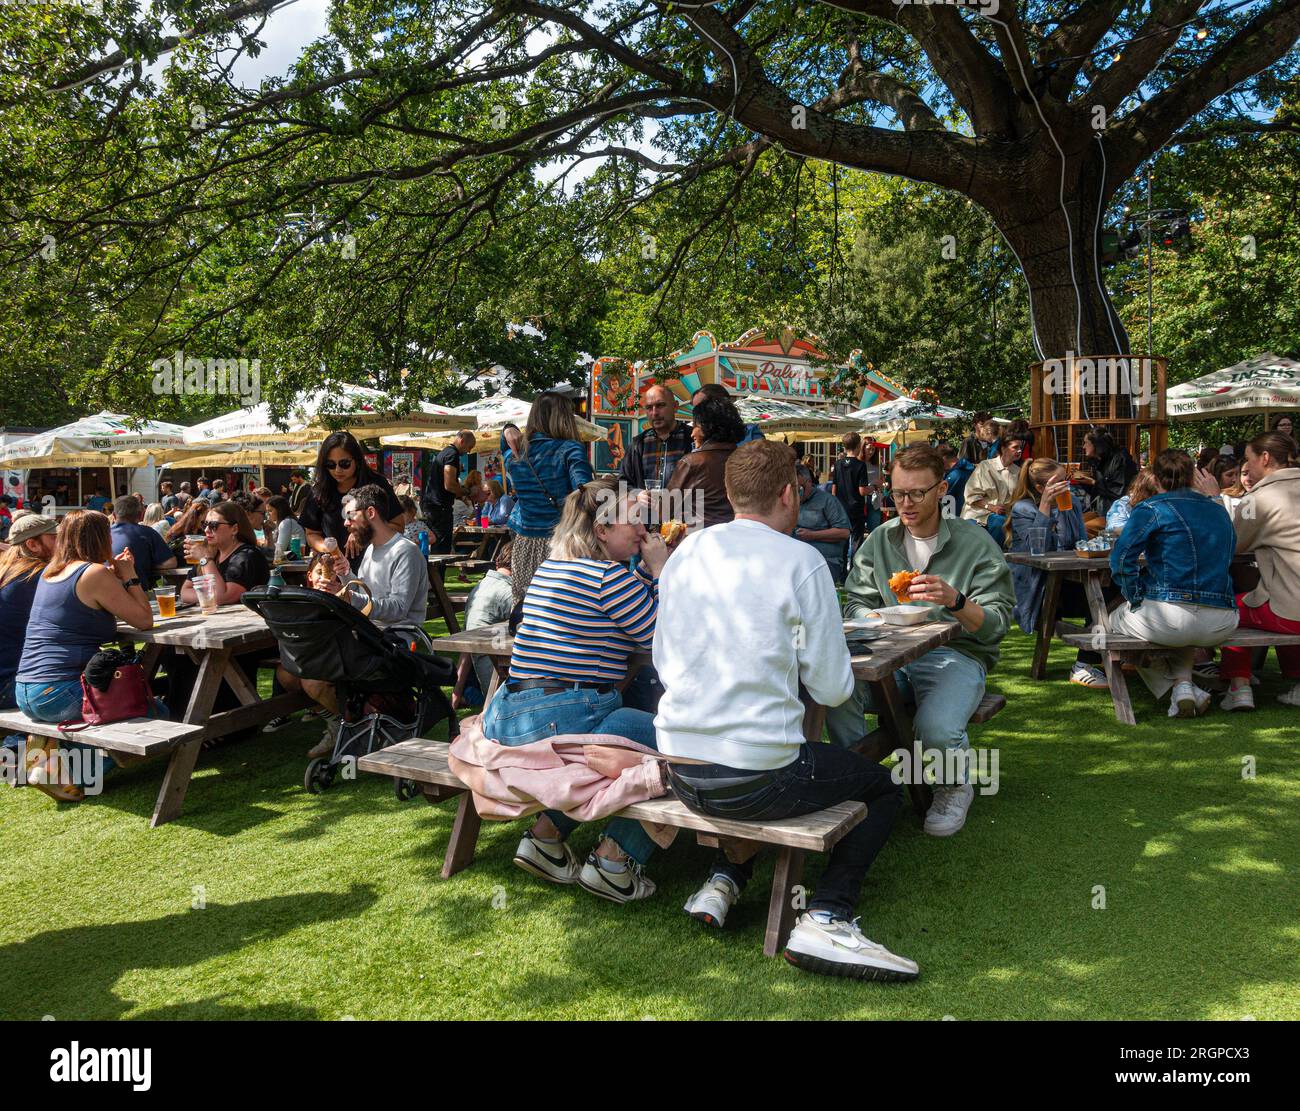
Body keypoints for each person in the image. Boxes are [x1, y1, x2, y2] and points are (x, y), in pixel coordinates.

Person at [654, 439, 916, 980]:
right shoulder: (802, 561)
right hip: (756, 778)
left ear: (728, 494)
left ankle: (725, 879)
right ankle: (826, 915)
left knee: (773, 758)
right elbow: (835, 688)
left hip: (679, 767)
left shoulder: (686, 553)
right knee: (881, 786)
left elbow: (666, 658)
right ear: (790, 494)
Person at [484, 476, 668, 903]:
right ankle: (614, 861)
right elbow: (662, 639)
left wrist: (641, 574)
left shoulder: (555, 568)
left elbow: (622, 613)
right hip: (561, 716)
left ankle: (546, 838)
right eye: (633, 521)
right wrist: (659, 571)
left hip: (511, 714)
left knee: (624, 730)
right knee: (683, 744)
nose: (642, 529)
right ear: (602, 530)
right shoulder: (606, 577)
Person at [828, 445, 1014, 837]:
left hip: (955, 654)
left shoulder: (975, 542)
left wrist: (956, 600)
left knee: (937, 728)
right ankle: (866, 782)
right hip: (887, 653)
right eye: (897, 494)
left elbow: (997, 624)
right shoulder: (879, 540)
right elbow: (856, 603)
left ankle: (953, 785)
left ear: (942, 489)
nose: (906, 504)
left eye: (917, 493)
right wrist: (877, 617)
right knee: (835, 695)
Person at [278, 484, 431, 757]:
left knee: (311, 677)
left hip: (398, 639)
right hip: (368, 635)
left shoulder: (405, 551)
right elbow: (364, 594)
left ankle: (353, 726)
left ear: (370, 512)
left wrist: (352, 598)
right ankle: (354, 724)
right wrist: (345, 579)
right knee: (291, 671)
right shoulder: (373, 550)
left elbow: (397, 609)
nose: (345, 524)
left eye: (350, 516)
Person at [15, 511, 158, 802]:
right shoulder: (93, 573)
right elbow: (144, 620)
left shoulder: (50, 572)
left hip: (27, 689)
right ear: (101, 538)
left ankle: (50, 753)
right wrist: (129, 575)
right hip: (59, 691)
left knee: (128, 703)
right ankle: (65, 772)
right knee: (155, 712)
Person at [1107, 450, 1238, 717]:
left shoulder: (1151, 508)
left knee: (1106, 623)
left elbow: (1120, 560)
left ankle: (1174, 688)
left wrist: (1133, 596)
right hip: (1222, 621)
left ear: (1155, 477)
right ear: (1193, 477)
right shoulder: (1218, 509)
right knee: (1181, 628)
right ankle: (1184, 688)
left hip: (1171, 618)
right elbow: (1230, 554)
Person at [1197, 432, 1300, 710]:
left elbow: (1230, 543)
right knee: (1277, 600)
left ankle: (1238, 686)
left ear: (1265, 458)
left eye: (1249, 460)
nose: (1248, 468)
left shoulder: (1260, 498)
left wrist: (1214, 499)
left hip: (1290, 611)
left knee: (1232, 609)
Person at [1006, 458, 1109, 689]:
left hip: (1069, 581)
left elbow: (1077, 541)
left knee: (1111, 593)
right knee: (1099, 599)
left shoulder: (1070, 501)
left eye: (1066, 480)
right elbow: (1038, 550)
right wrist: (1045, 506)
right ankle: (1084, 667)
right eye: (1061, 482)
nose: (1067, 486)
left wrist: (1065, 511)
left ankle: (1089, 660)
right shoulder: (1023, 509)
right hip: (1041, 587)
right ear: (1042, 488)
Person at [502, 393, 593, 606]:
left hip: (524, 543)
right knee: (562, 610)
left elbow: (503, 443)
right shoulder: (569, 449)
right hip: (561, 543)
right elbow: (584, 491)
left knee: (526, 611)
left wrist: (508, 428)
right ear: (563, 417)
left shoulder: (515, 454)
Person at [301, 430, 404, 571]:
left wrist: (363, 534)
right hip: (335, 571)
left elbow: (398, 526)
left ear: (357, 460)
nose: (337, 470)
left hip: (375, 567)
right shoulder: (319, 491)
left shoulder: (377, 484)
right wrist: (330, 549)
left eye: (344, 463)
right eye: (330, 464)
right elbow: (311, 533)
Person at [0, 512, 59, 713]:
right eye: (54, 538)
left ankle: (17, 743)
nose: (61, 544)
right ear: (33, 545)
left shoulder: (6, 570)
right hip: (12, 684)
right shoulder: (39, 575)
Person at [666, 395, 745, 529]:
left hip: (699, 539)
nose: (692, 434)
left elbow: (665, 510)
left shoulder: (691, 462)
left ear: (706, 427)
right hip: (738, 538)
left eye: (695, 425)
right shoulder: (746, 459)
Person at [451, 544, 514, 710]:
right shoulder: (508, 593)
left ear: (497, 564)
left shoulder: (479, 587)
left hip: (480, 670)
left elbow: (466, 650)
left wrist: (454, 698)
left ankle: (470, 694)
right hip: (497, 680)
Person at [178, 500, 270, 608]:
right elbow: (184, 592)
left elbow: (221, 597)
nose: (207, 530)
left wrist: (205, 560)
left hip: (245, 621)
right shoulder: (212, 554)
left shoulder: (247, 556)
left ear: (234, 529)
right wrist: (208, 597)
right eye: (205, 524)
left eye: (213, 525)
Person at [619, 383, 693, 490]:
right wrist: (637, 494)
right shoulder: (637, 444)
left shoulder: (692, 438)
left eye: (660, 405)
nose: (654, 413)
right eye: (649, 408)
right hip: (647, 506)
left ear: (675, 406)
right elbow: (623, 482)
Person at [961, 434, 1027, 544]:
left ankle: (995, 556)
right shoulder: (985, 466)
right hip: (978, 513)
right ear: (1003, 448)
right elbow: (971, 495)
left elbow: (1020, 498)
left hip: (1002, 515)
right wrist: (990, 507)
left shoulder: (1019, 472)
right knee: (994, 525)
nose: (1019, 451)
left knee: (1003, 523)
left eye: (1020, 447)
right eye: (1015, 447)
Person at [423, 429, 478, 554]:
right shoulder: (452, 455)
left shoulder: (444, 453)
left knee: (437, 545)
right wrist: (467, 492)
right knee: (442, 548)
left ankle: (434, 573)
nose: (469, 451)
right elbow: (450, 485)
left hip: (433, 505)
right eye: (469, 447)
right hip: (440, 507)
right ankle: (438, 573)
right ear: (462, 440)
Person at [796, 463, 851, 581]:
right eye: (792, 488)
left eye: (800, 488)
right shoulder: (788, 501)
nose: (797, 493)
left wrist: (811, 535)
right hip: (797, 560)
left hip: (824, 561)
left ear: (809, 482)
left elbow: (844, 532)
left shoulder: (827, 500)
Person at [109, 495, 177, 586]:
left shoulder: (102, 534)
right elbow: (171, 563)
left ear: (113, 515)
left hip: (101, 591)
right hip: (135, 590)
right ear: (141, 515)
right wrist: (147, 564)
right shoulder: (148, 533)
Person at [1082, 430, 1138, 513]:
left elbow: (1118, 491)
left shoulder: (1120, 459)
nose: (1084, 446)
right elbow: (1099, 489)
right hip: (1102, 509)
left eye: (1086, 443)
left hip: (1119, 511)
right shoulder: (1099, 459)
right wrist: (1081, 482)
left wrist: (1094, 482)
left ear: (1096, 444)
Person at [831, 432, 868, 552]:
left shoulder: (837, 464)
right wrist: (874, 486)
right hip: (856, 508)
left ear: (844, 447)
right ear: (858, 446)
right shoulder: (861, 465)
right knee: (856, 541)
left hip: (841, 508)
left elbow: (834, 488)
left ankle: (842, 570)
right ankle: (854, 569)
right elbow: (862, 491)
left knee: (842, 542)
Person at [1105, 469, 1160, 533]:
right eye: (1153, 492)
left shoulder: (1160, 505)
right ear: (1142, 489)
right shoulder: (1124, 503)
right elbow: (1113, 528)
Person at [265, 495, 306, 562]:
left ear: (279, 510)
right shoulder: (287, 521)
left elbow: (280, 550)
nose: (268, 514)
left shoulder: (286, 523)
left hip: (296, 560)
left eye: (270, 511)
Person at [939, 442, 974, 516]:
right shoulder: (968, 468)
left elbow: (942, 498)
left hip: (956, 518)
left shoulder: (955, 476)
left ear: (943, 458)